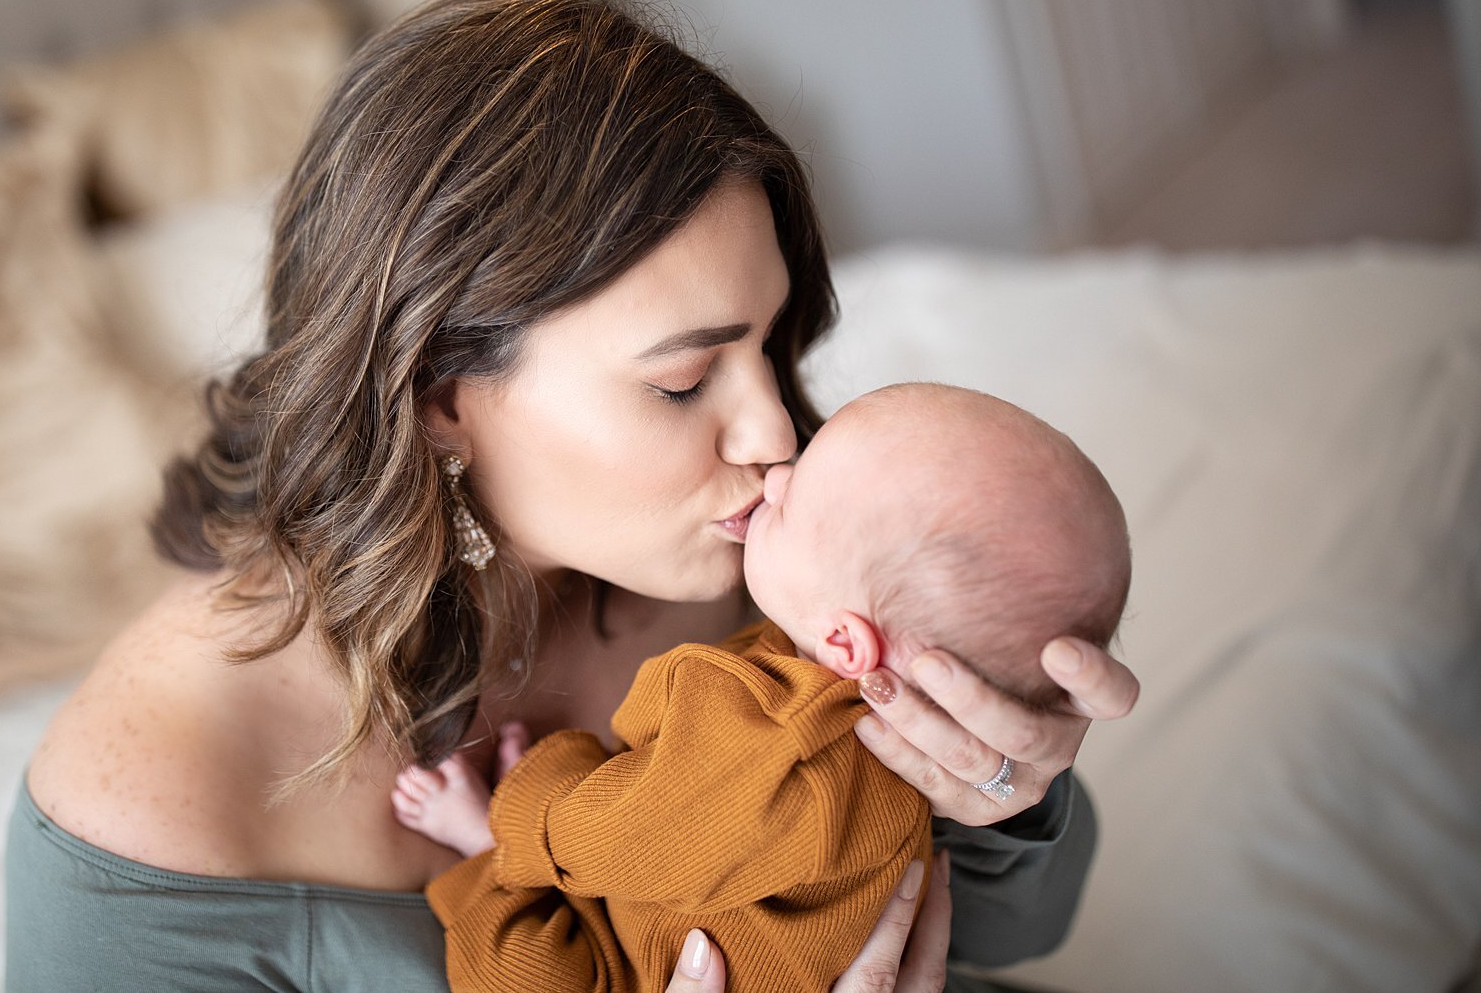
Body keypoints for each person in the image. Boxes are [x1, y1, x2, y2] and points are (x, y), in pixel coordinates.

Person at [7, 0, 1141, 992]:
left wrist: (1004, 791)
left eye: (769, 344)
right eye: (684, 379)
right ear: (443, 391)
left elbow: (1009, 927)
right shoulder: (152, 799)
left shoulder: (783, 541)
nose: (775, 434)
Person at [394, 382, 1132, 992]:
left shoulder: (772, 732)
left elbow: (635, 829)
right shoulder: (837, 639)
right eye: (682, 379)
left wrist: (510, 819)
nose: (776, 453)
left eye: (800, 491)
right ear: (452, 395)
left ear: (845, 642)